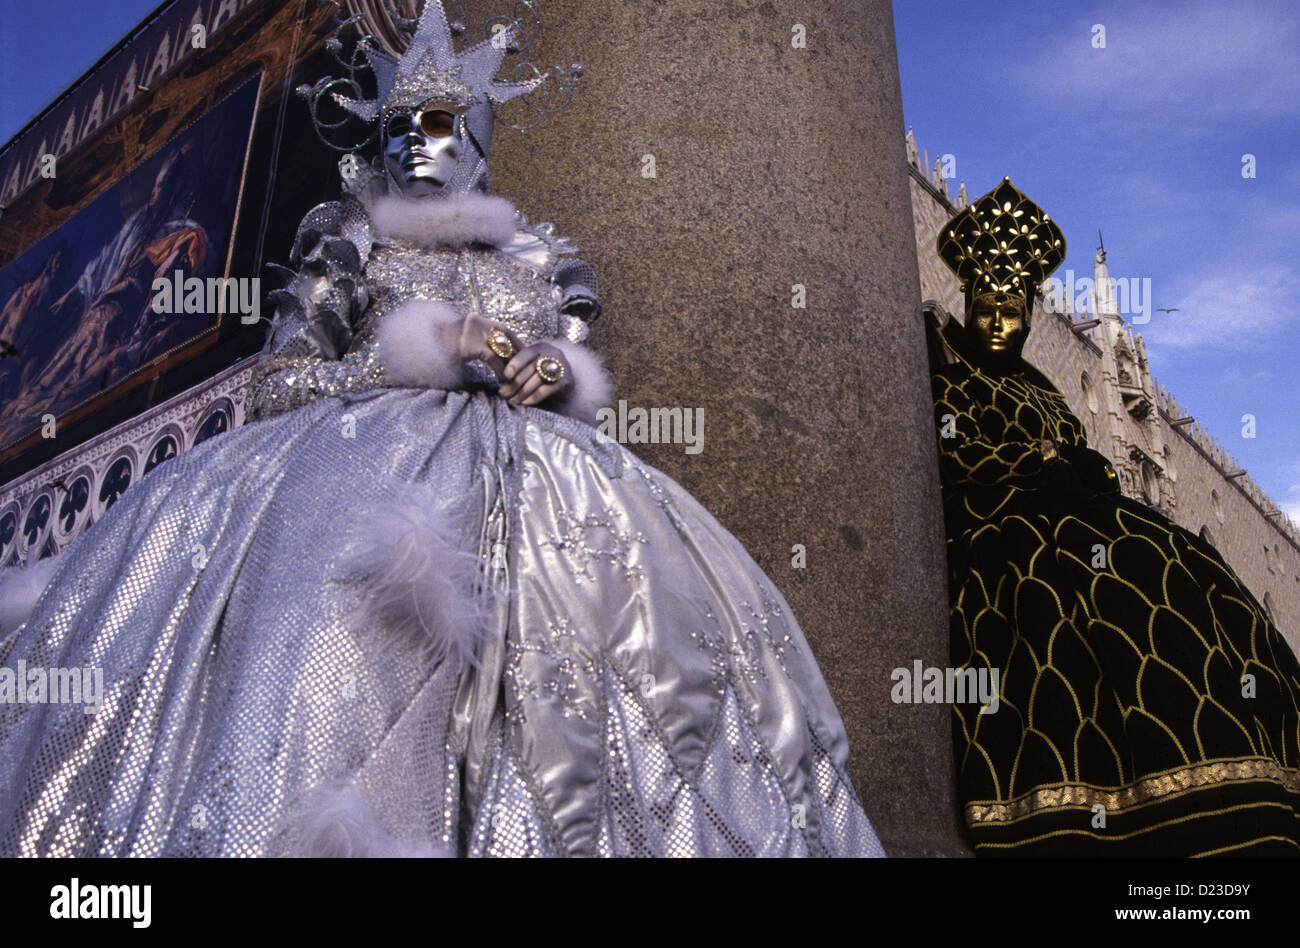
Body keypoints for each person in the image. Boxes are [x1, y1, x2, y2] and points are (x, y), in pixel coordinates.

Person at [0, 1, 883, 858]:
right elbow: (280, 384)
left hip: (554, 486)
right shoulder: (349, 243)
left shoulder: (545, 260)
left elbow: (568, 353)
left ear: (475, 143)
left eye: (435, 126)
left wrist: (555, 369)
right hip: (353, 469)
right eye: (394, 131)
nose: (410, 145)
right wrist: (422, 351)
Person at [931, 178, 1300, 856]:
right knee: (1130, 565)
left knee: (1192, 563)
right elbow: (958, 459)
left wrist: (1080, 471)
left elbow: (1086, 454)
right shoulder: (948, 371)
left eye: (1014, 310)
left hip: (1079, 515)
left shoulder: (1037, 383)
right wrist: (1040, 470)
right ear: (968, 298)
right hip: (1007, 530)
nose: (999, 323)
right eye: (986, 306)